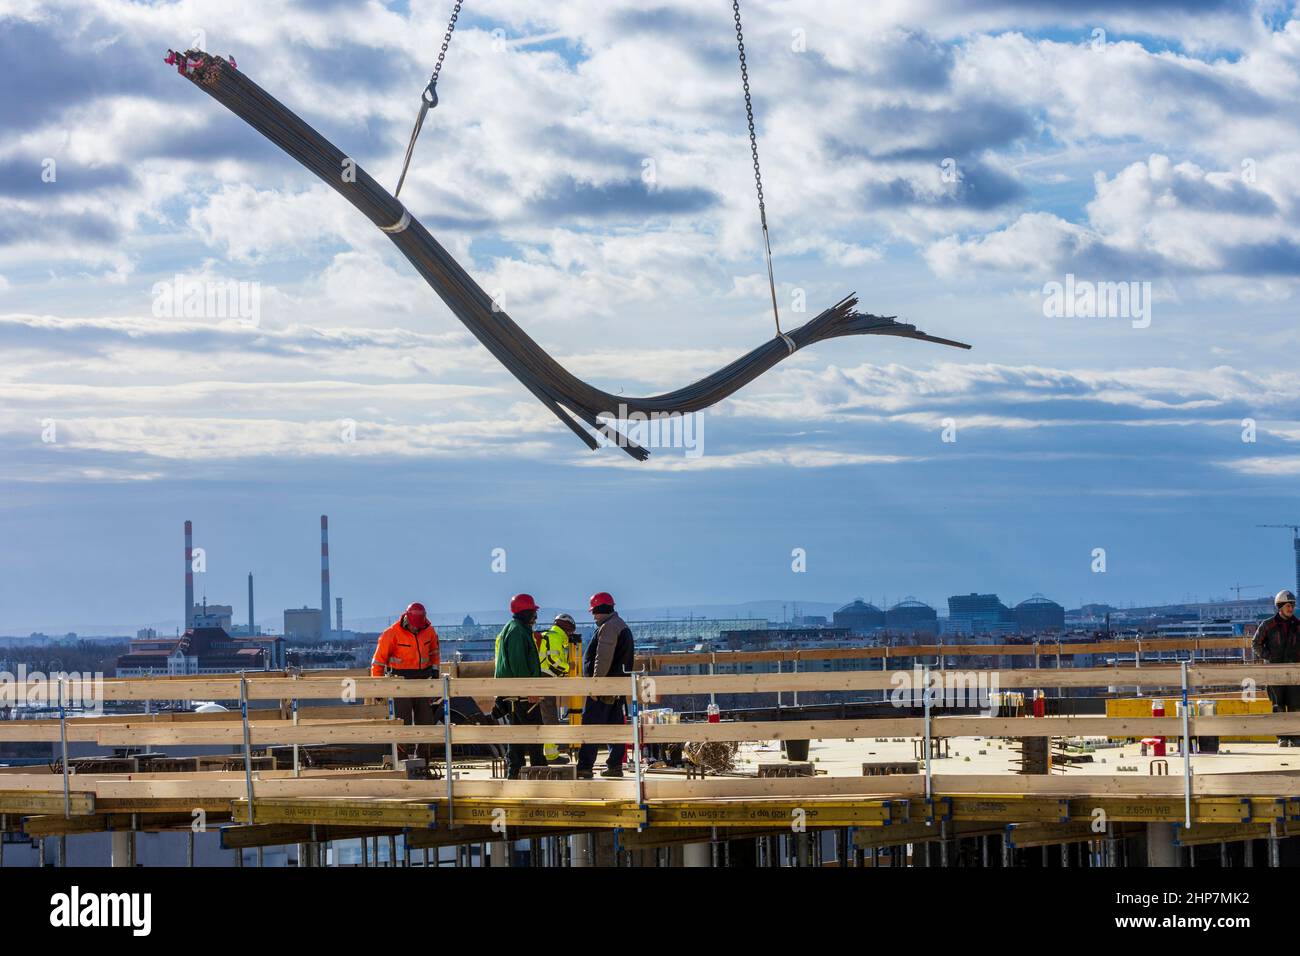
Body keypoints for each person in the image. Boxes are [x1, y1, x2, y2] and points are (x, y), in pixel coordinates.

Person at [575, 591, 635, 779]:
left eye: (594, 612)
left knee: (591, 726)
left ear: (599, 610)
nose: (593, 616)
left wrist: (596, 684)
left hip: (604, 687)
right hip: (615, 686)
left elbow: (603, 658)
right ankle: (615, 766)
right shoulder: (619, 625)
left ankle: (585, 767)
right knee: (614, 726)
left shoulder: (609, 627)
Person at [370, 602, 440, 762]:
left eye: (418, 626)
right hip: (399, 682)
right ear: (407, 619)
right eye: (414, 626)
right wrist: (377, 689)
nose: (416, 629)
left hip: (423, 680)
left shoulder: (428, 630)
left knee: (426, 721)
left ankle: (423, 760)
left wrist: (435, 672)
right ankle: (402, 762)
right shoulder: (391, 634)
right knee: (402, 722)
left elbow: (435, 651)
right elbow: (378, 663)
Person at [494, 593, 547, 778]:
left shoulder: (516, 628)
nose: (535, 616)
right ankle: (538, 771)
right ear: (525, 612)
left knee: (516, 735)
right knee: (534, 733)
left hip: (515, 693)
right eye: (533, 612)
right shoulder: (517, 631)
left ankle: (515, 773)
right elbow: (519, 664)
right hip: (521, 694)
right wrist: (529, 690)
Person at [1253, 589, 1300, 746]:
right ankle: (1282, 737)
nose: (1291, 608)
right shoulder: (1268, 625)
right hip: (1274, 672)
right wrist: (1269, 656)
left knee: (1295, 705)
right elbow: (1255, 644)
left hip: (1294, 672)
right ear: (1280, 607)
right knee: (1278, 705)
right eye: (1288, 605)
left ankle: (1295, 737)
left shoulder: (1298, 626)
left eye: (1292, 605)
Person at [538, 613, 576, 763]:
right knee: (550, 717)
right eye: (571, 631)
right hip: (545, 679)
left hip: (545, 679)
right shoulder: (555, 637)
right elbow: (553, 660)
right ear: (566, 627)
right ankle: (551, 755)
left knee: (549, 716)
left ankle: (550, 753)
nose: (571, 635)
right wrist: (569, 667)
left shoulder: (550, 635)